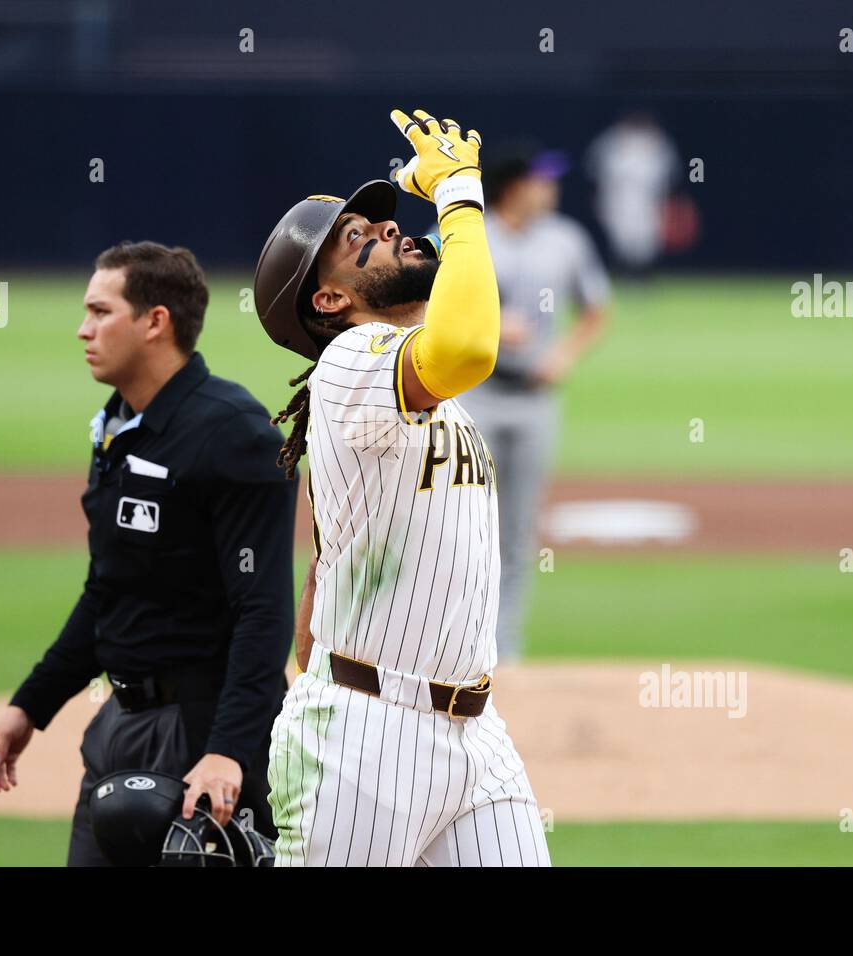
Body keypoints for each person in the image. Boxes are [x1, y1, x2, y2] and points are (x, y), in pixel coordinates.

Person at [252, 107, 550, 867]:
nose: (389, 231)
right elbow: (471, 343)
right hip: (365, 735)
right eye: (359, 241)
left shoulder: (416, 389)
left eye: (384, 225)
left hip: (474, 734)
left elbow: (326, 564)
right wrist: (458, 196)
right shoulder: (354, 359)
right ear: (329, 301)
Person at [0, 241, 297, 865]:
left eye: (100, 312)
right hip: (118, 730)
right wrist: (31, 705)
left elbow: (263, 611)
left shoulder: (234, 435)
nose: (82, 329)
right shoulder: (119, 427)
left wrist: (228, 748)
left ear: (156, 322)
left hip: (204, 736)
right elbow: (109, 590)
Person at [457, 143, 610, 662]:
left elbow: (596, 310)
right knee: (463, 526)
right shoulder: (467, 237)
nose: (552, 189)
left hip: (536, 401)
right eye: (542, 180)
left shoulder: (566, 240)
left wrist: (563, 354)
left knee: (519, 532)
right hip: (475, 395)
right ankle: (456, 648)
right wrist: (493, 327)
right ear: (514, 187)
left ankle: (507, 654)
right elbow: (424, 302)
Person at [586, 112, 680, 274]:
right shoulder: (611, 142)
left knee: (646, 241)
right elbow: (596, 172)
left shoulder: (658, 143)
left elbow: (669, 175)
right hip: (618, 200)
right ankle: (621, 273)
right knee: (620, 240)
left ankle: (644, 276)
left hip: (647, 201)